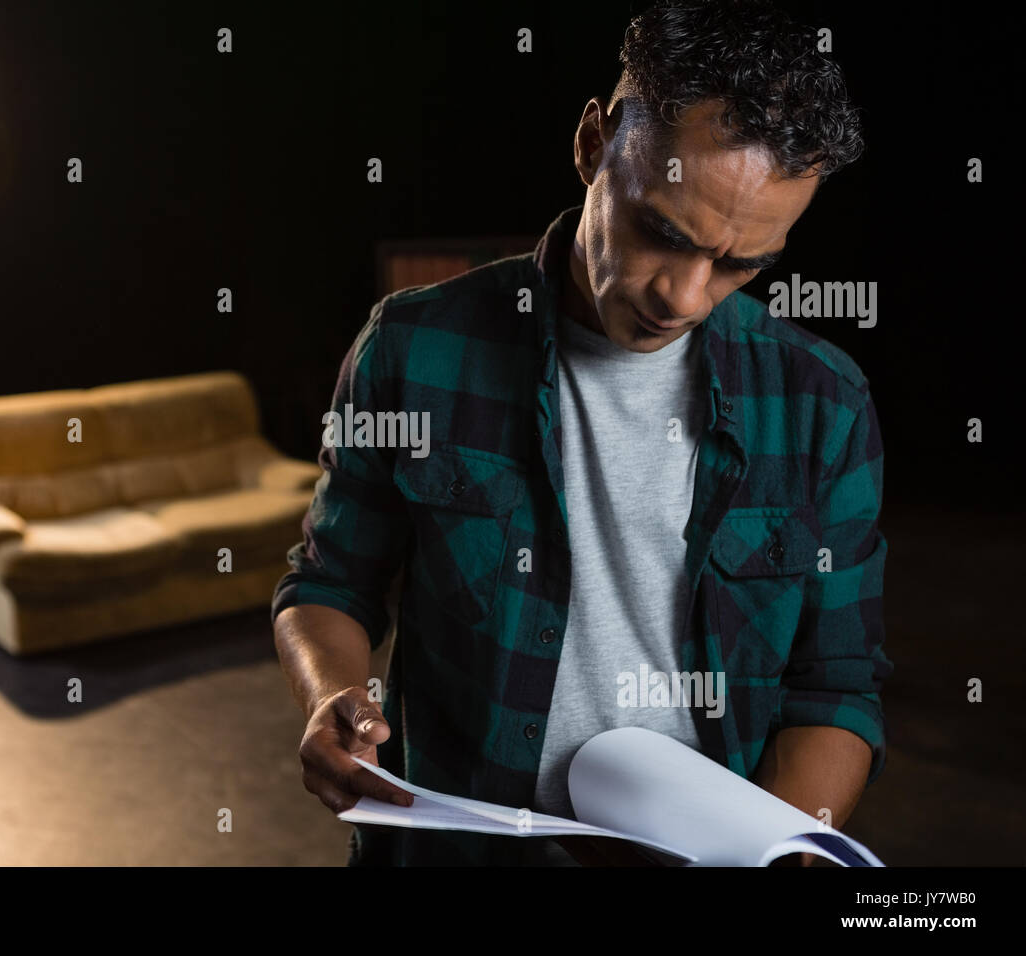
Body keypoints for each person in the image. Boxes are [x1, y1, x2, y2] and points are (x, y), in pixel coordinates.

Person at [272, 0, 893, 866]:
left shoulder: (823, 403)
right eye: (661, 233)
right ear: (594, 145)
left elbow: (837, 689)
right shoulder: (415, 347)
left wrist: (773, 848)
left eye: (740, 263)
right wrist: (331, 695)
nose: (682, 295)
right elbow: (330, 583)